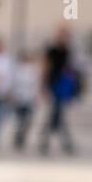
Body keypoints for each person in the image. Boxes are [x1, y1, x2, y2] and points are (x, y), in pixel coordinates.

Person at [39, 26, 79, 155]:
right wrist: (44, 86)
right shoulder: (51, 50)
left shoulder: (67, 51)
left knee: (57, 116)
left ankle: (48, 143)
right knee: (56, 116)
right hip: (54, 85)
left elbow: (70, 69)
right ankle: (62, 144)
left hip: (63, 86)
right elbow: (46, 68)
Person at [10, 49, 41, 150]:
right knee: (19, 120)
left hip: (29, 98)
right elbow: (13, 84)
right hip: (19, 98)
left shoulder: (33, 71)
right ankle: (18, 137)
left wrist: (36, 97)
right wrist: (13, 96)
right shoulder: (17, 70)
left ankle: (21, 136)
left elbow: (36, 85)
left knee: (28, 120)